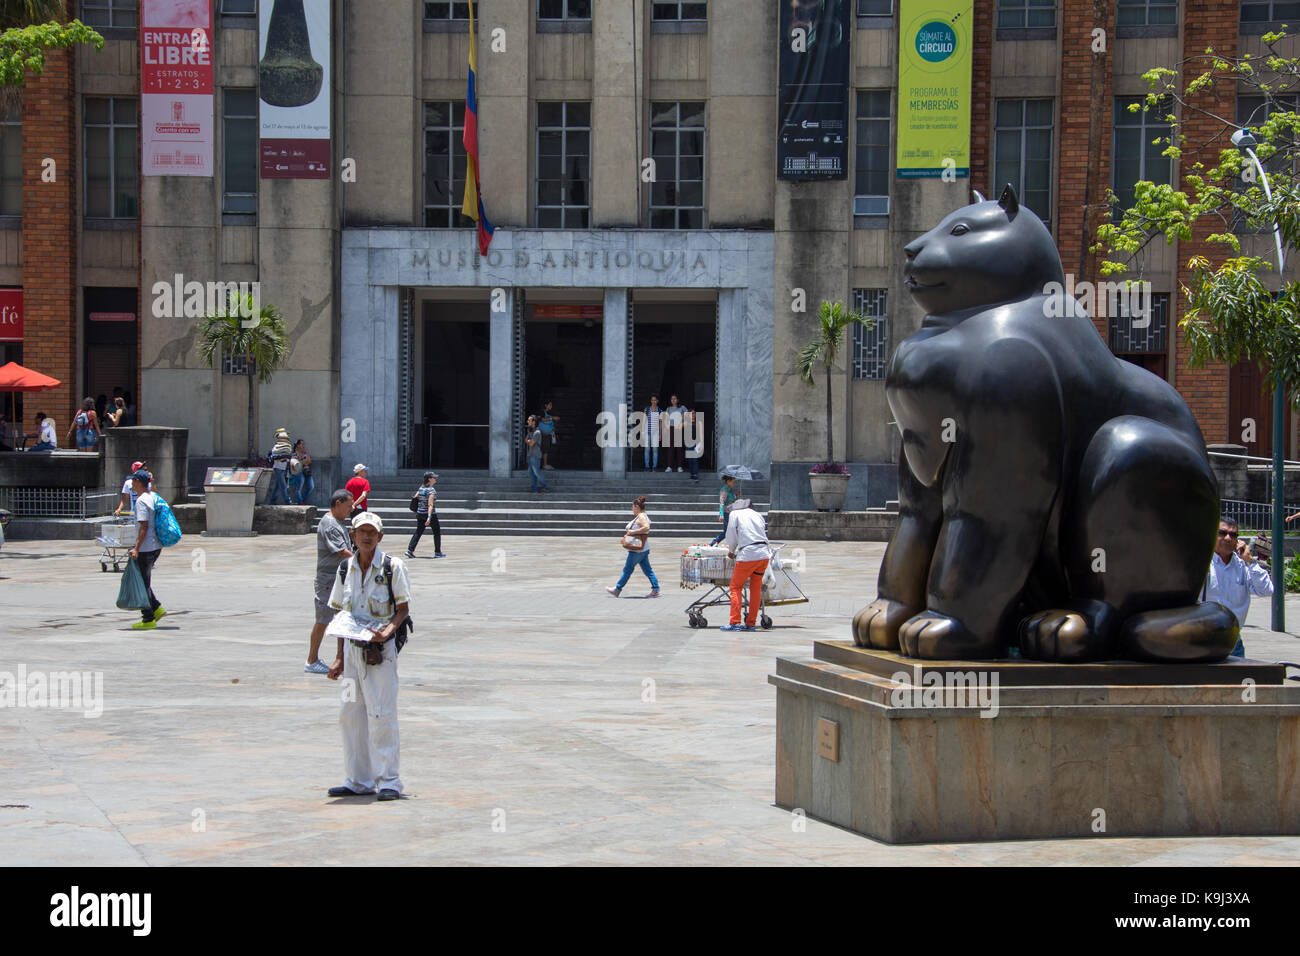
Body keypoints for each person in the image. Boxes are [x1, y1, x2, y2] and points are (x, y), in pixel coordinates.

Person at [325, 512, 411, 802]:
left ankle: (389, 780)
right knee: (350, 714)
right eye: (361, 532)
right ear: (352, 535)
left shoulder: (392, 567)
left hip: (380, 654)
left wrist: (386, 632)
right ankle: (358, 780)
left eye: (371, 532)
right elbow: (340, 614)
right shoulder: (345, 568)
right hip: (352, 654)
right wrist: (338, 657)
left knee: (381, 713)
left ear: (380, 537)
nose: (366, 537)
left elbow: (403, 609)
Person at [1201, 515, 1273, 658]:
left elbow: (1266, 590)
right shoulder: (1202, 562)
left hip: (1233, 641)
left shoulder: (1243, 565)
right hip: (1203, 638)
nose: (1228, 538)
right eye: (1222, 533)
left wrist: (1251, 562)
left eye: (1233, 535)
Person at [306, 490, 355, 674]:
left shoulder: (338, 522)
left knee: (343, 619)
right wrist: (364, 562)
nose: (352, 509)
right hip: (328, 580)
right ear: (338, 503)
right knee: (323, 620)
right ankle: (312, 660)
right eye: (349, 505)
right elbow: (342, 552)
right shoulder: (330, 524)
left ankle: (341, 658)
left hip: (339, 578)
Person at [719, 498, 772, 632]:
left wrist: (731, 551)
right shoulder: (757, 514)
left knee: (735, 587)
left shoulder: (734, 514)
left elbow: (731, 535)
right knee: (755, 588)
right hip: (763, 554)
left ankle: (734, 622)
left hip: (748, 555)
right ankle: (751, 623)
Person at [127, 469, 166, 630]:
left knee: (142, 584)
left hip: (146, 548)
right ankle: (156, 608)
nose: (131, 483)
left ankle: (148, 619)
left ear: (138, 482)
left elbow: (144, 526)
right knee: (144, 581)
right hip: (155, 546)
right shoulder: (152, 496)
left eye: (133, 480)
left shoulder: (141, 501)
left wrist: (136, 548)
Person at [606, 496, 660, 598]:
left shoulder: (641, 516)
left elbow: (646, 527)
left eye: (633, 507)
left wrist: (632, 532)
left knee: (627, 569)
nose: (632, 509)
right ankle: (656, 590)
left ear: (637, 507)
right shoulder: (642, 515)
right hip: (643, 549)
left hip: (637, 550)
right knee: (648, 570)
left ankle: (617, 589)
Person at [405, 471, 445, 558]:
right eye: (434, 478)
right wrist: (429, 517)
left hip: (420, 513)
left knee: (418, 532)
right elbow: (430, 505)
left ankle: (410, 550)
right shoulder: (431, 490)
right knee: (436, 532)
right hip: (429, 514)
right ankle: (437, 552)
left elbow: (415, 498)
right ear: (429, 479)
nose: (435, 479)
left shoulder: (421, 488)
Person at [266, 427, 293, 504]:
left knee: (277, 486)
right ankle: (287, 500)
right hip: (278, 468)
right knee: (283, 486)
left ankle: (272, 500)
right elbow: (275, 456)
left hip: (282, 468)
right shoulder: (276, 447)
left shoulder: (285, 447)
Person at [710, 474, 739, 545]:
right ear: (728, 481)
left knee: (729, 531)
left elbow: (731, 500)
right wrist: (721, 514)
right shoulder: (725, 490)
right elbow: (722, 502)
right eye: (733, 482)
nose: (734, 484)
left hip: (730, 513)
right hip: (726, 513)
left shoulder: (730, 490)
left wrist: (737, 495)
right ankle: (713, 543)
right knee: (728, 531)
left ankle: (713, 543)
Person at [525, 415, 549, 493]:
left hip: (535, 456)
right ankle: (534, 489)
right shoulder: (531, 431)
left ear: (534, 422)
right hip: (530, 455)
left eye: (529, 420)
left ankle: (545, 487)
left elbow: (531, 443)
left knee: (537, 472)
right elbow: (526, 439)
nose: (527, 421)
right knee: (531, 473)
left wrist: (529, 441)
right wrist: (529, 440)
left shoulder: (537, 432)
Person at [288, 438, 315, 505]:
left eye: (303, 444)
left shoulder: (305, 453)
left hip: (306, 471)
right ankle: (301, 502)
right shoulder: (294, 454)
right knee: (299, 488)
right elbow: (295, 463)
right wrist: (303, 461)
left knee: (311, 486)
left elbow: (309, 461)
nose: (303, 445)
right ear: (298, 445)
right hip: (299, 472)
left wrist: (301, 461)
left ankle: (302, 499)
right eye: (302, 444)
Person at [664, 394, 688, 472]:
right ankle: (669, 467)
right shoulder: (668, 409)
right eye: (672, 399)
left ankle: (679, 466)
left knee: (679, 448)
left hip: (678, 428)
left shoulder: (682, 408)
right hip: (671, 428)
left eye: (675, 399)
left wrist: (682, 424)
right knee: (670, 448)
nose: (673, 400)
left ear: (677, 400)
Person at [643, 395, 661, 471]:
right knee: (647, 450)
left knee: (655, 450)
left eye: (655, 400)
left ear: (657, 401)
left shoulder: (659, 410)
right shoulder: (647, 409)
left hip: (656, 433)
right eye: (652, 400)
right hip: (647, 432)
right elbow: (644, 421)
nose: (653, 401)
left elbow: (660, 423)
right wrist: (642, 432)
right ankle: (647, 467)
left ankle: (654, 467)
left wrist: (660, 434)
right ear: (651, 401)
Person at [539, 400, 559, 470]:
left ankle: (544, 464)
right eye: (550, 405)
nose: (551, 406)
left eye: (551, 405)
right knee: (543, 449)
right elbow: (542, 419)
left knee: (546, 449)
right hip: (542, 433)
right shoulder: (542, 412)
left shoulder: (550, 413)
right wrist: (552, 418)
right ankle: (543, 464)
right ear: (546, 405)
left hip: (548, 434)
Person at [686, 410, 702, 481]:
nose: (693, 414)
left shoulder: (699, 423)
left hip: (696, 443)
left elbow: (701, 434)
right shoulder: (686, 422)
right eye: (691, 413)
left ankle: (695, 474)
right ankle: (692, 474)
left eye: (694, 413)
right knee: (690, 460)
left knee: (695, 459)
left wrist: (701, 443)